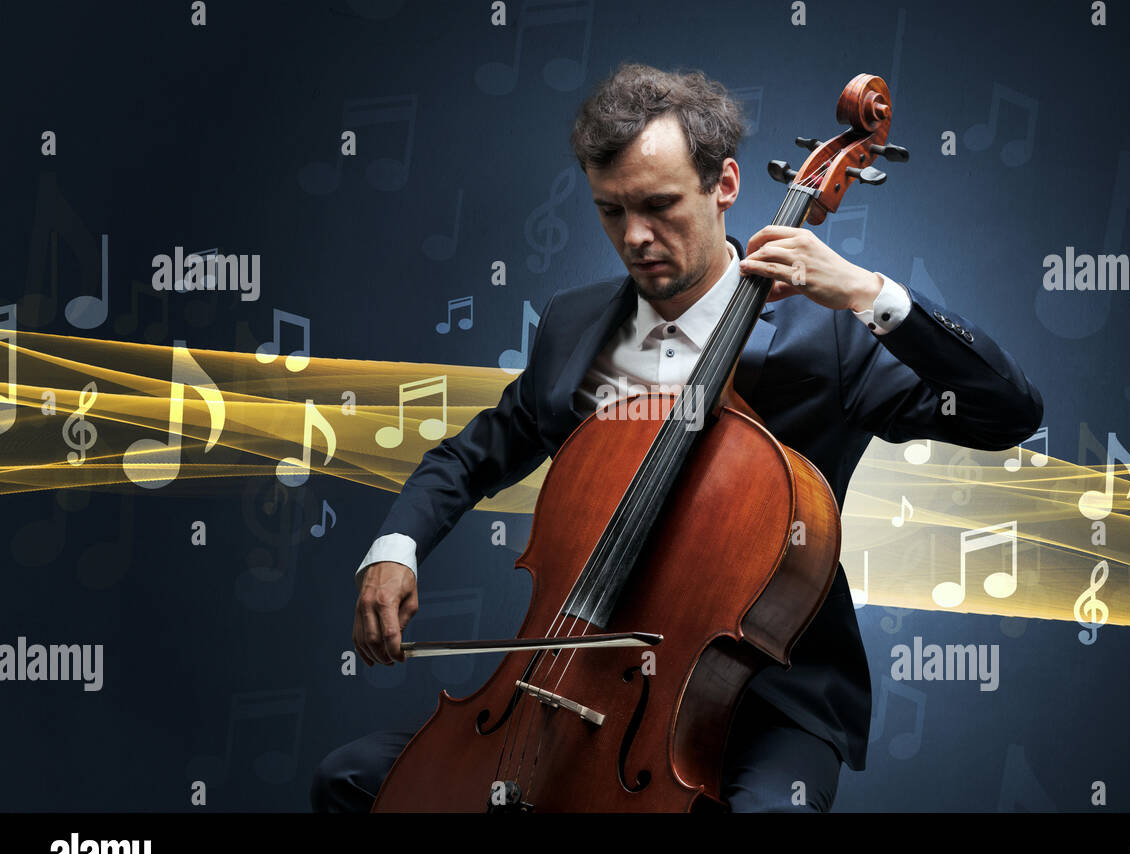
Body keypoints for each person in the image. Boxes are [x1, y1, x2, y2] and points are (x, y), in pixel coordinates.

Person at [312, 62, 1043, 813]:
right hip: (567, 681)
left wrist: (868, 293)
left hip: (763, 700)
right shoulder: (575, 325)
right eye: (610, 211)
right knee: (350, 780)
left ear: (724, 185)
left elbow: (1007, 411)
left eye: (659, 206)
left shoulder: (822, 341)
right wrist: (394, 549)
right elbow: (471, 455)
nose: (635, 237)